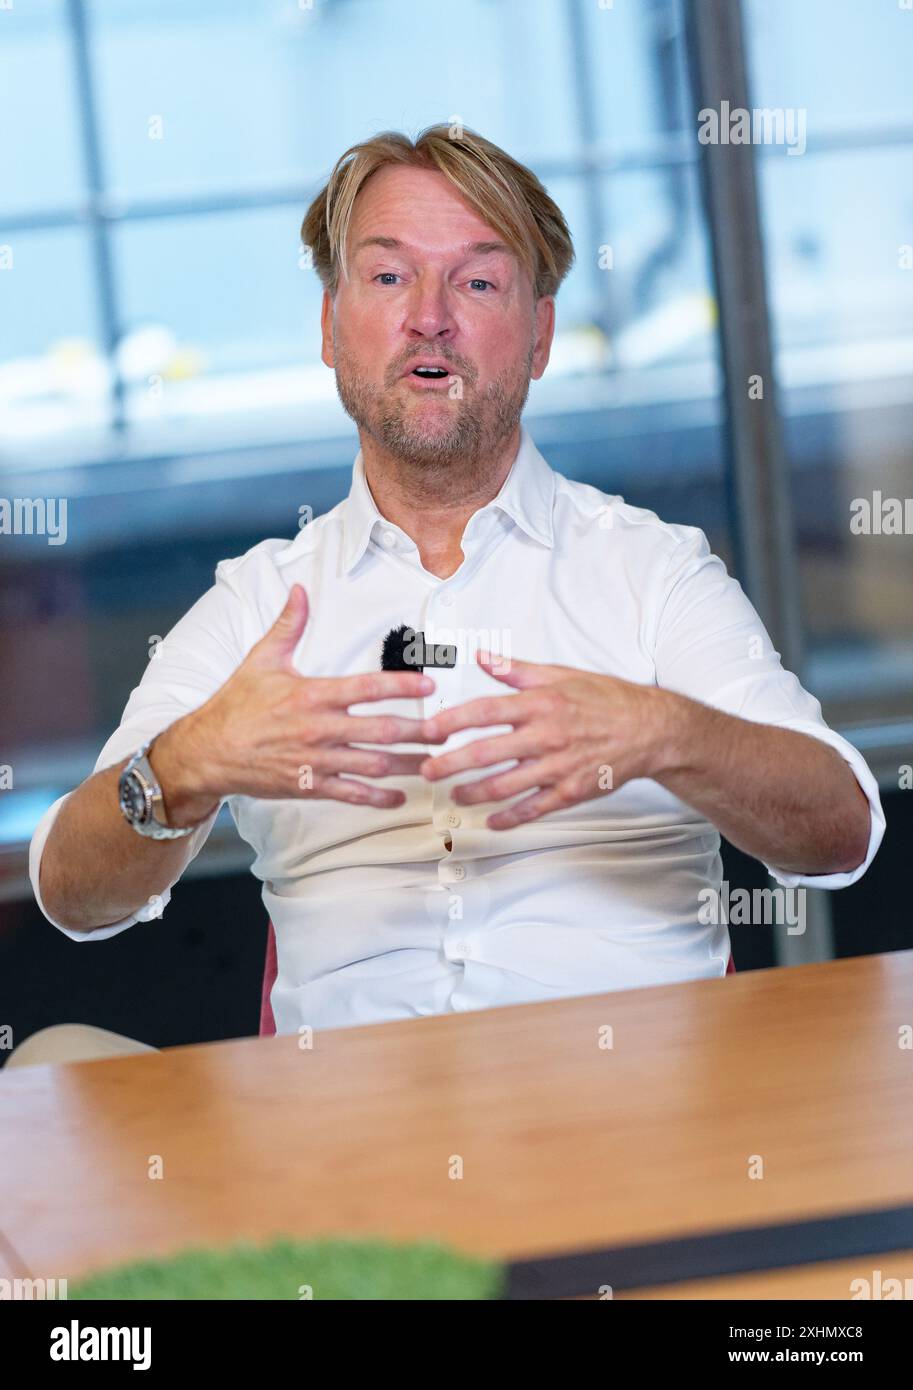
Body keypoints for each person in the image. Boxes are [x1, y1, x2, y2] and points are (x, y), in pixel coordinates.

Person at [10, 125, 883, 1069]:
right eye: (387, 278)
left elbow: (838, 832)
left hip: (625, 1124)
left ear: (540, 333)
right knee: (49, 1066)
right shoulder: (258, 602)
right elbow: (71, 893)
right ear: (329, 325)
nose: (429, 316)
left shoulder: (650, 571)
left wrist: (670, 733)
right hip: (345, 1141)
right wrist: (185, 766)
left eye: (475, 281)